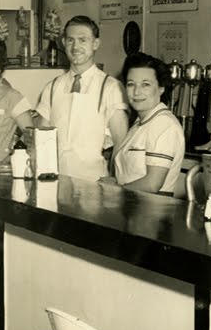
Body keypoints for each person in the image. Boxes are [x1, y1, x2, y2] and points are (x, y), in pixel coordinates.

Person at [35, 15, 128, 181]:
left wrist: (114, 181)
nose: (75, 46)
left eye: (82, 40)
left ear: (95, 44)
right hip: (55, 178)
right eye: (70, 40)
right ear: (63, 43)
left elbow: (121, 143)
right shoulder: (53, 87)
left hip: (93, 180)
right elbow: (41, 137)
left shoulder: (111, 87)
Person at [100, 52, 184, 195]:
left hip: (153, 205)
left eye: (145, 85)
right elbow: (131, 175)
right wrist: (115, 182)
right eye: (131, 84)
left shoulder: (163, 123)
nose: (136, 92)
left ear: (161, 88)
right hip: (132, 202)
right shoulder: (140, 122)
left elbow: (152, 184)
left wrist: (117, 189)